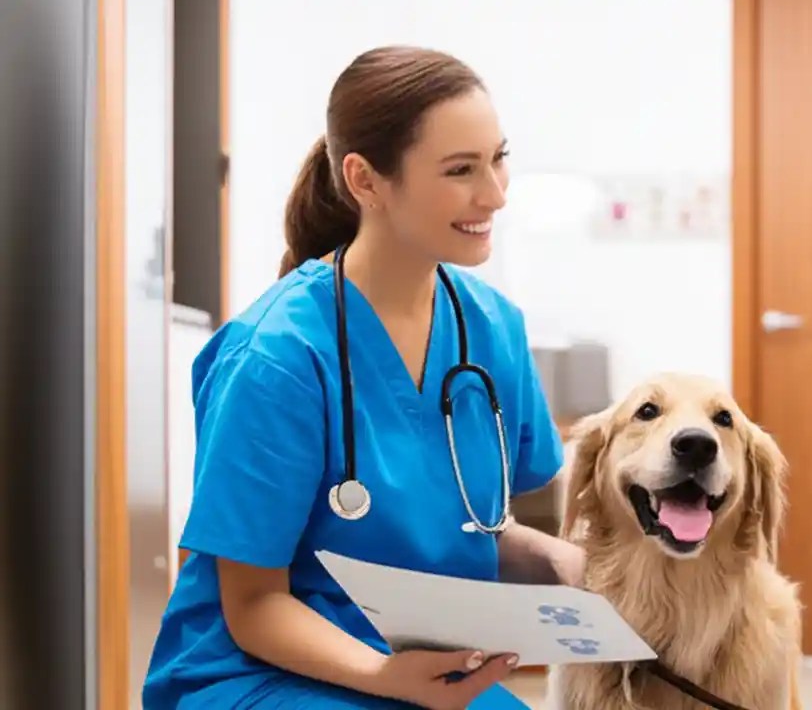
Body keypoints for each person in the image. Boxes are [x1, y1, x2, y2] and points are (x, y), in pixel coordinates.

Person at [143, 46, 584, 709]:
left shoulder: (494, 330)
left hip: (419, 660)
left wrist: (560, 563)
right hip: (261, 669)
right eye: (461, 169)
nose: (494, 193)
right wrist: (384, 678)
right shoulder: (277, 356)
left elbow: (467, 526)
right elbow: (254, 605)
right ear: (366, 180)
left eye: (498, 158)